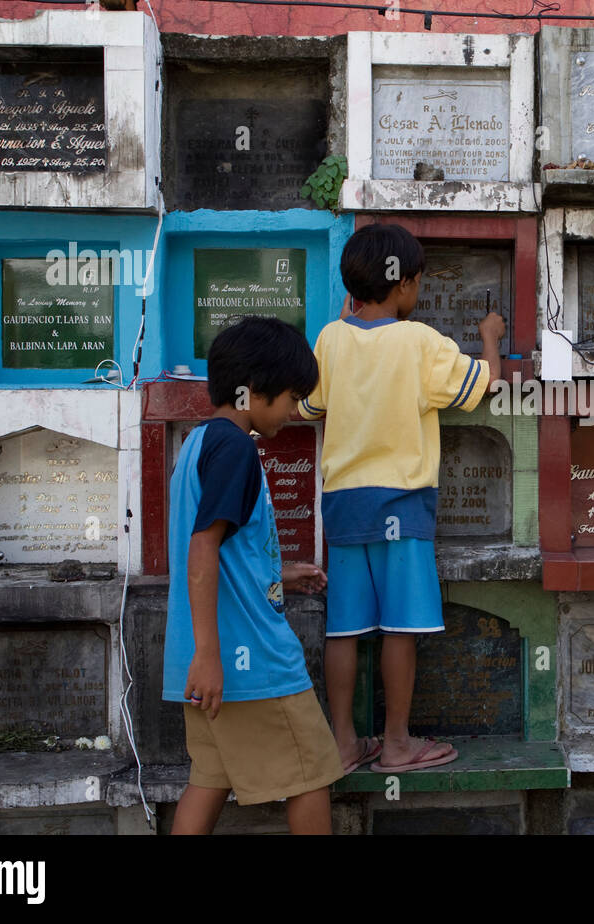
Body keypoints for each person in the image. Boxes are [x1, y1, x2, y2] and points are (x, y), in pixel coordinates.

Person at [298, 223, 505, 774]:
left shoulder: (331, 338)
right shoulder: (421, 342)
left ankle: (343, 742)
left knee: (344, 628)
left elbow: (309, 408)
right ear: (406, 285)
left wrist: (346, 329)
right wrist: (491, 336)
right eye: (417, 281)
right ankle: (395, 743)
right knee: (400, 627)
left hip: (343, 503)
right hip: (402, 504)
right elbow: (481, 383)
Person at [162, 315, 342, 834]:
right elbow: (203, 546)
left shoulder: (198, 444)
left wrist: (278, 575)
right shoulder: (236, 448)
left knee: (210, 778)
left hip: (207, 662)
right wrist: (211, 655)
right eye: (291, 397)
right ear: (255, 391)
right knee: (312, 771)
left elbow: (219, 553)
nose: (294, 411)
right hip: (249, 661)